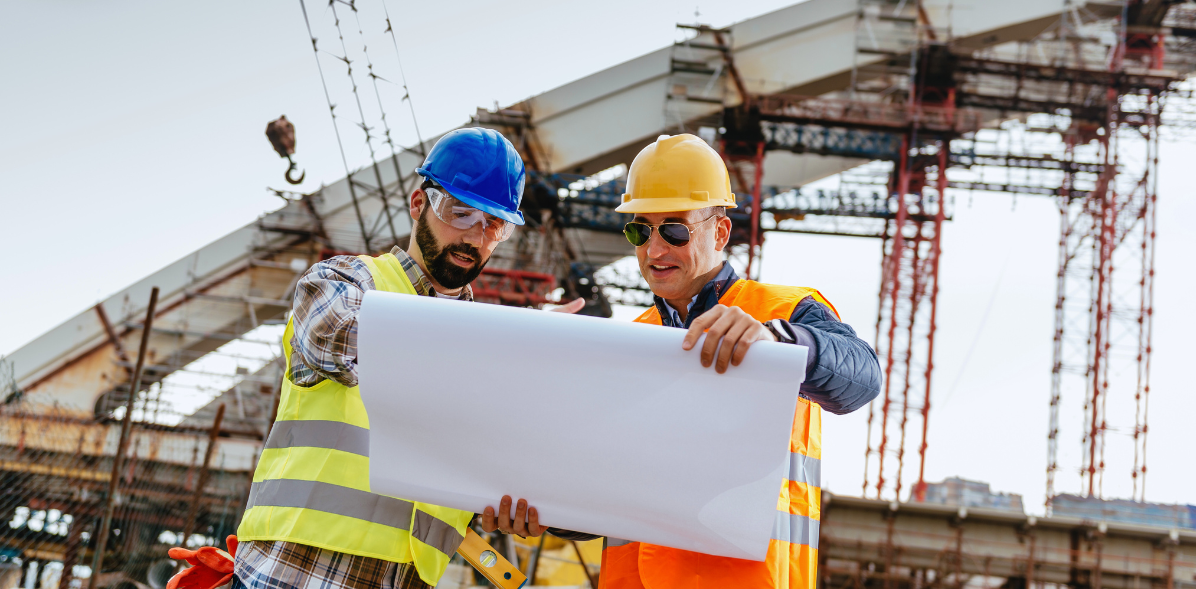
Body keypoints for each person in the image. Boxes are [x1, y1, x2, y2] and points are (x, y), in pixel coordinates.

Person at [233, 128, 590, 589]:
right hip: (294, 574)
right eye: (459, 212)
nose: (474, 237)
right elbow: (335, 335)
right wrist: (511, 345)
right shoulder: (345, 281)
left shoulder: (490, 355)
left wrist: (549, 511)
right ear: (419, 204)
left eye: (493, 225)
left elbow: (511, 465)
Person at [599, 134, 883, 589]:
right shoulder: (628, 339)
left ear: (721, 232)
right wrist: (546, 513)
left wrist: (778, 344)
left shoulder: (784, 313)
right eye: (639, 230)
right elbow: (607, 487)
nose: (653, 251)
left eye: (674, 230)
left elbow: (863, 377)